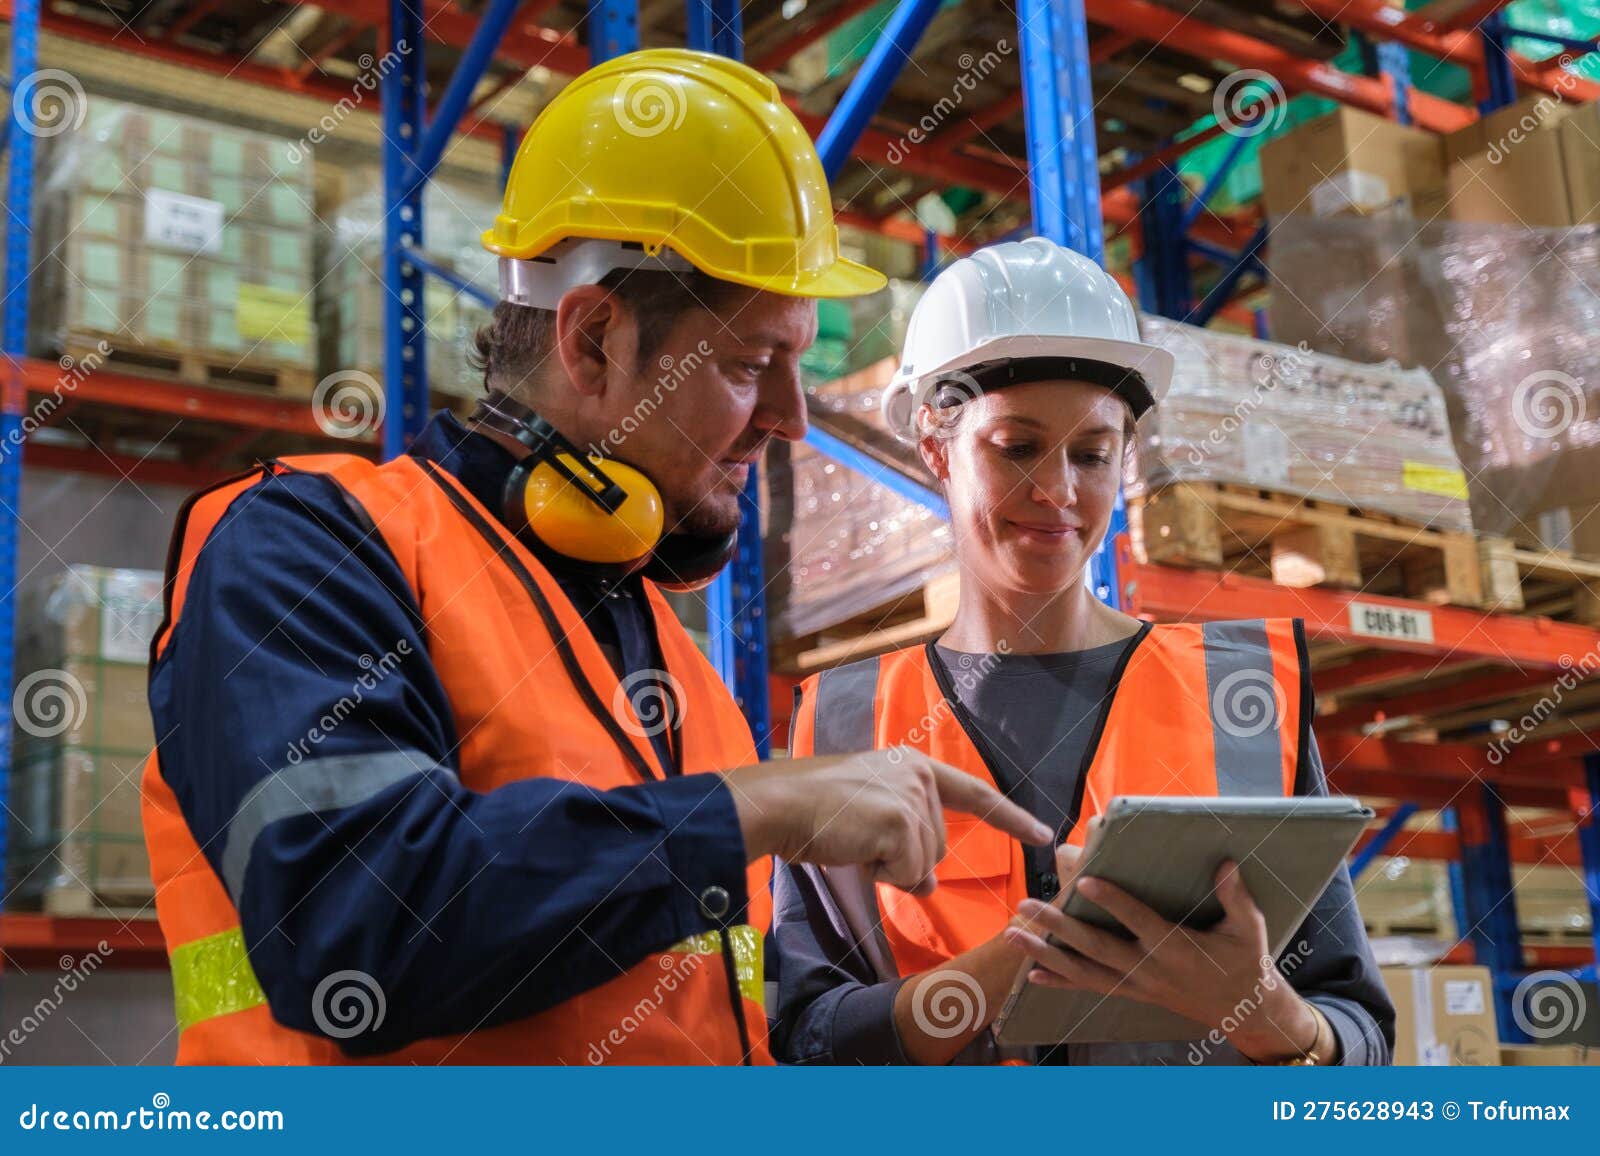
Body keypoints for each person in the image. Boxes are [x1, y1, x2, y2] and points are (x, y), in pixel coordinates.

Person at [140, 49, 1049, 1066]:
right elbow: (357, 928)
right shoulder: (309, 552)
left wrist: (987, 987)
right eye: (754, 366)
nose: (792, 421)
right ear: (592, 342)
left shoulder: (676, 674)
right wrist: (755, 807)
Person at [770, 237, 1395, 1066]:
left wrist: (1266, 1016)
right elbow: (808, 1043)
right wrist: (1020, 961)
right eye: (1017, 447)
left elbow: (1358, 1039)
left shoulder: (1235, 695)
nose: (1057, 491)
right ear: (934, 449)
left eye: (1093, 454)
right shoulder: (846, 722)